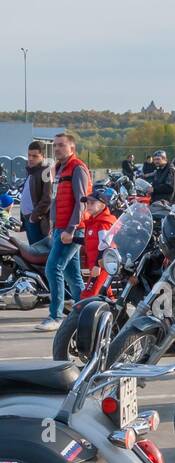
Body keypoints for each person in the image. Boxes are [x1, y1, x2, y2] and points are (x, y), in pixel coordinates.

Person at [35, 132, 90, 332]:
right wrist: (53, 227)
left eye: (61, 145)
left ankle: (56, 317)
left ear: (71, 148)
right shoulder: (59, 169)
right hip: (61, 229)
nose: (57, 148)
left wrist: (71, 229)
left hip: (72, 230)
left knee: (53, 268)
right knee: (73, 276)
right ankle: (86, 314)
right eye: (55, 145)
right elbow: (57, 200)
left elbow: (82, 202)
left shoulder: (77, 168)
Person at [79, 186, 118, 300]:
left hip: (102, 266)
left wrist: (97, 266)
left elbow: (105, 245)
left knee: (87, 295)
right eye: (87, 203)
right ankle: (115, 310)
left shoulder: (103, 223)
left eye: (92, 203)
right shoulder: (93, 222)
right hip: (98, 265)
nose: (88, 205)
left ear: (102, 205)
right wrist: (72, 239)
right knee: (106, 294)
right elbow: (90, 241)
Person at [20, 140, 52, 246]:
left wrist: (33, 217)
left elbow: (47, 199)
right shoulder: (33, 170)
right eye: (29, 155)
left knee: (38, 251)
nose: (30, 158)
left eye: (35, 156)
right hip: (28, 220)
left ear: (43, 156)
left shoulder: (46, 171)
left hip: (36, 221)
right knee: (32, 251)